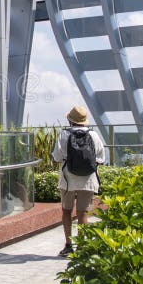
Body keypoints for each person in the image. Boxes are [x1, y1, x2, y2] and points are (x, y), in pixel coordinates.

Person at [51, 105, 105, 257]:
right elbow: (101, 158)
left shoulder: (63, 134)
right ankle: (81, 246)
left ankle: (68, 246)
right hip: (88, 179)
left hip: (68, 178)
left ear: (70, 120)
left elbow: (56, 157)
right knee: (83, 214)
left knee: (66, 211)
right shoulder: (94, 135)